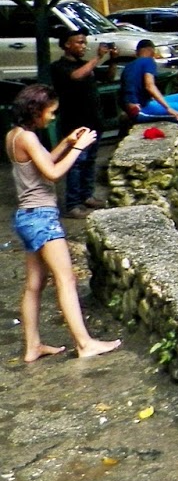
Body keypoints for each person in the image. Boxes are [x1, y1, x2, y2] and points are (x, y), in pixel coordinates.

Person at [8, 85, 121, 361]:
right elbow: (53, 172)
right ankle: (84, 344)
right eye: (51, 113)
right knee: (66, 279)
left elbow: (44, 161)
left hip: (27, 216)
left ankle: (32, 346)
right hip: (42, 218)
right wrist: (79, 148)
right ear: (36, 111)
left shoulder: (14, 135)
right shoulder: (29, 138)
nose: (53, 118)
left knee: (35, 284)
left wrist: (67, 142)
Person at [50, 31, 113, 217]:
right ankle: (73, 204)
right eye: (79, 42)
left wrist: (112, 60)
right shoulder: (59, 67)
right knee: (77, 163)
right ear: (67, 45)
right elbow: (76, 76)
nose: (83, 46)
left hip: (93, 120)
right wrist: (98, 57)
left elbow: (108, 77)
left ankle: (87, 196)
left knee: (90, 161)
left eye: (85, 43)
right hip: (75, 123)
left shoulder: (84, 64)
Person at [120, 39, 178, 164]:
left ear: (137, 52)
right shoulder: (148, 61)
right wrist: (168, 108)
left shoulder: (129, 65)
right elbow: (149, 86)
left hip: (145, 102)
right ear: (152, 51)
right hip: (140, 110)